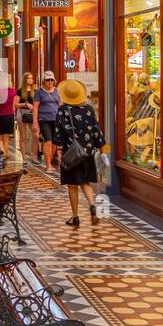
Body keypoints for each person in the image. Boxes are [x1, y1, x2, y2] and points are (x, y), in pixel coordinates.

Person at [55, 77, 105, 227]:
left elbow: (59, 133)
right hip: (87, 151)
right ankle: (92, 205)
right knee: (85, 181)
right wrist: (101, 148)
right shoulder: (89, 109)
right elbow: (96, 130)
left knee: (72, 184)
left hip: (71, 152)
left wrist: (58, 151)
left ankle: (75, 216)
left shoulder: (63, 111)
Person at [32, 70, 62, 173]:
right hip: (43, 119)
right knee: (48, 141)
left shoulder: (57, 91)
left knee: (54, 143)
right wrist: (35, 122)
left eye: (51, 80)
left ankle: (49, 161)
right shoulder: (39, 92)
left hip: (56, 120)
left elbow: (60, 105)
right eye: (48, 80)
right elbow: (35, 107)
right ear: (44, 81)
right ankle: (48, 165)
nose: (50, 82)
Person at [0, 70, 17, 156]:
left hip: (1, 116)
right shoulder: (13, 91)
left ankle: (4, 153)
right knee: (6, 139)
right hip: (10, 116)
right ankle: (6, 154)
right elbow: (13, 105)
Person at [16, 72, 37, 162]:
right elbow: (15, 104)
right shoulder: (20, 90)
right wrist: (25, 104)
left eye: (32, 78)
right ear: (25, 79)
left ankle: (33, 155)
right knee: (23, 136)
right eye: (28, 78)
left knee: (35, 135)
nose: (30, 80)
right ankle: (24, 158)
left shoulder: (35, 91)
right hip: (22, 113)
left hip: (32, 114)